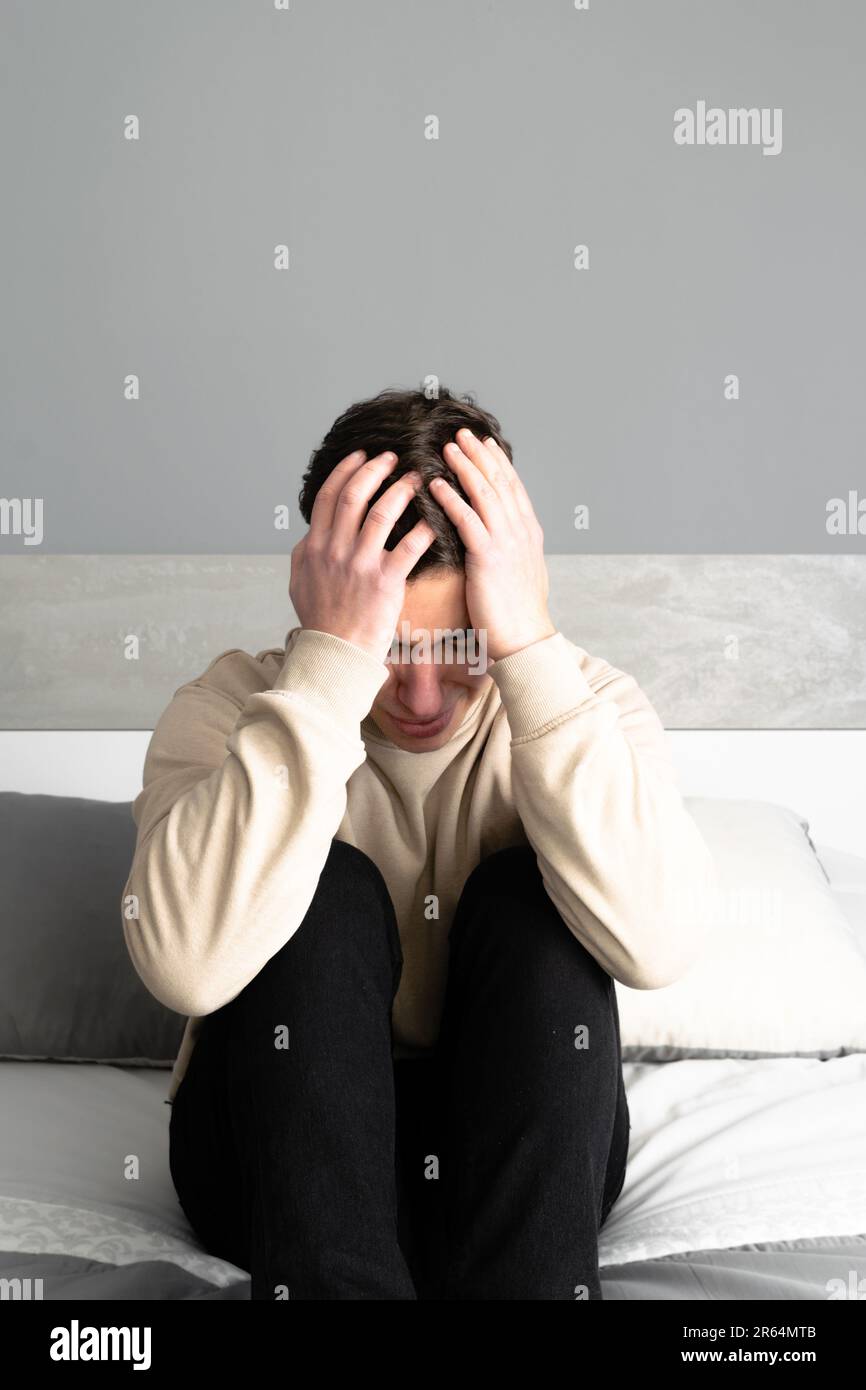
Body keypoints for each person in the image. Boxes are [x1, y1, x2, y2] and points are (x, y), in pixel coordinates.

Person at [122, 385, 719, 1301]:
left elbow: (660, 946)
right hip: (274, 1171)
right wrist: (329, 671)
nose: (425, 700)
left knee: (531, 896)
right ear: (326, 599)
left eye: (463, 648)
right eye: (391, 650)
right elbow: (183, 970)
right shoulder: (233, 711)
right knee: (323, 892)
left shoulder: (584, 706)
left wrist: (527, 650)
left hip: (515, 1187)